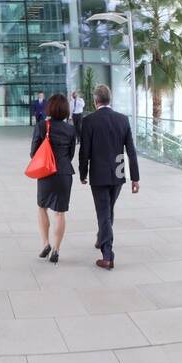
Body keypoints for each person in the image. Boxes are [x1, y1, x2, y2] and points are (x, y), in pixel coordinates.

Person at [78, 85, 140, 270]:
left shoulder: (89, 121)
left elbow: (84, 152)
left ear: (96, 100)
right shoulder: (122, 120)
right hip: (118, 172)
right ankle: (101, 238)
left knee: (104, 212)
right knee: (108, 209)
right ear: (109, 100)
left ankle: (107, 255)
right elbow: (131, 151)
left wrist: (83, 173)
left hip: (98, 173)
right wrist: (135, 178)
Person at [31, 94, 78, 264]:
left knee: (42, 207)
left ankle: (45, 244)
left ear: (49, 108)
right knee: (60, 212)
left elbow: (33, 153)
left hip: (46, 173)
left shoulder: (42, 126)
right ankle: (57, 250)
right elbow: (71, 154)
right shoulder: (71, 129)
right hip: (64, 173)